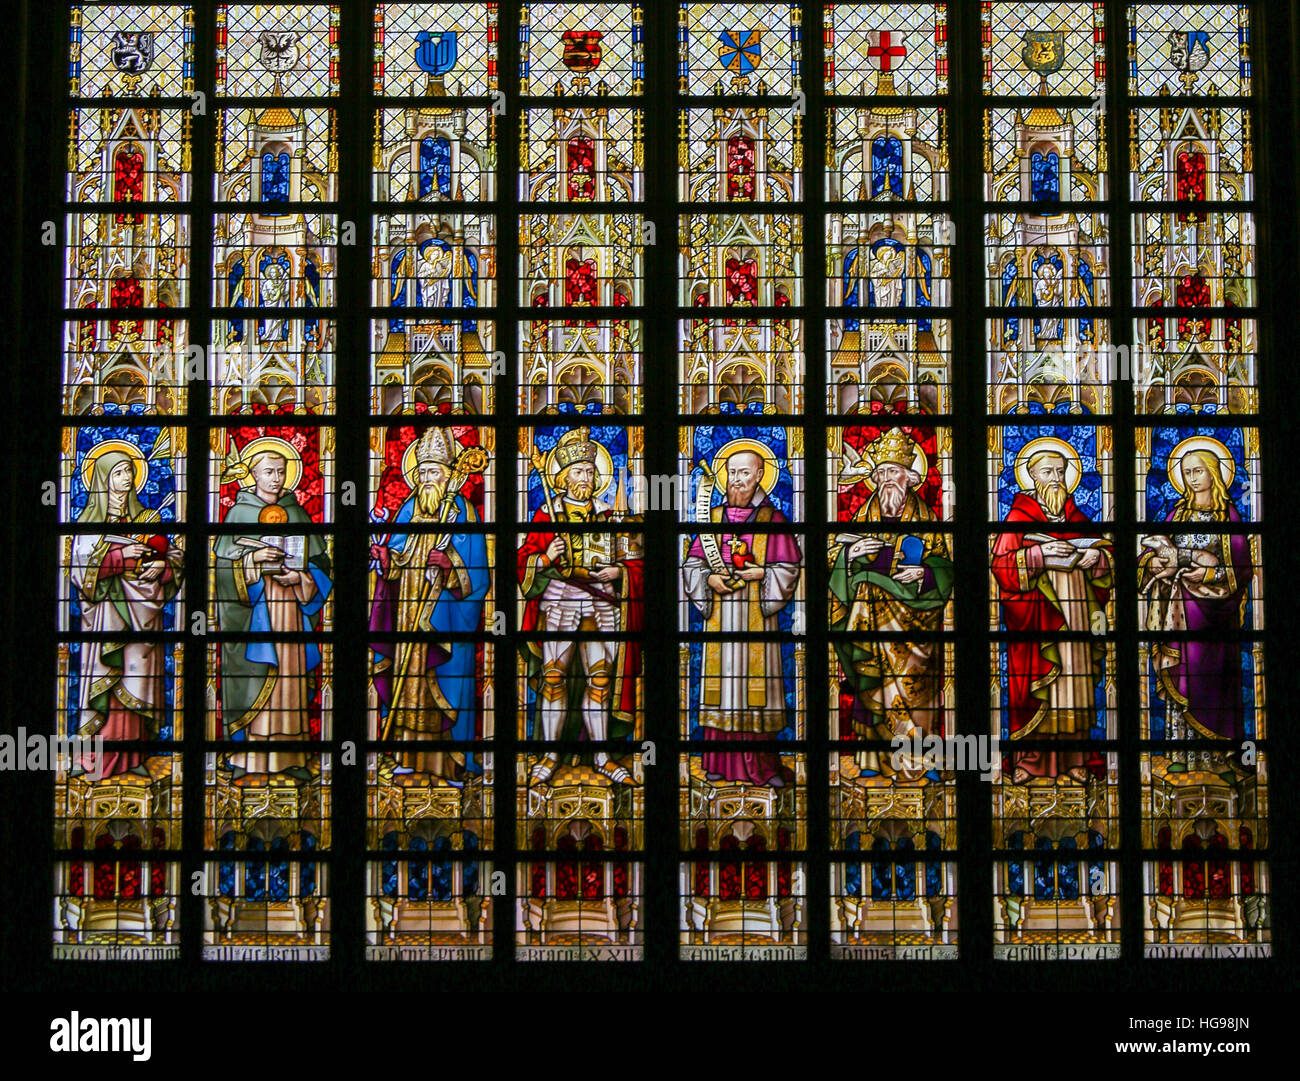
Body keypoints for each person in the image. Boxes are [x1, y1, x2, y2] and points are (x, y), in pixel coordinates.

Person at [518, 428, 643, 784]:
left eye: (590, 471)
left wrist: (618, 570)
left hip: (601, 604)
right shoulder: (547, 515)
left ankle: (603, 756)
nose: (585, 477)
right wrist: (544, 558)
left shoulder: (609, 514)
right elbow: (522, 559)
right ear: (563, 477)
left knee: (600, 681)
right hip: (560, 601)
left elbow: (635, 558)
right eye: (578, 471)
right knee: (554, 678)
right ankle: (550, 754)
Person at [828, 429, 953, 778]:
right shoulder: (864, 516)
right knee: (874, 683)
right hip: (870, 621)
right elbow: (836, 567)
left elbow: (947, 565)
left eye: (893, 471)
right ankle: (874, 759)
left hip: (917, 625)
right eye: (880, 473)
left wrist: (925, 575)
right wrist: (850, 555)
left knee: (917, 691)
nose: (886, 480)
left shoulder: (927, 518)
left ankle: (923, 760)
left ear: (910, 477)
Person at [368, 427, 488, 784]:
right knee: (410, 683)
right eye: (422, 472)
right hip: (410, 612)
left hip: (445, 618)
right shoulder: (409, 508)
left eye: (434, 471)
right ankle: (409, 756)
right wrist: (388, 559)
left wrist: (451, 564)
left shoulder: (462, 511)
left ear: (449, 474)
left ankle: (449, 763)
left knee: (443, 683)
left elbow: (479, 573)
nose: (427, 478)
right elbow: (400, 554)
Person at [990, 442, 1111, 783]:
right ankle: (1030, 762)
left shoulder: (1075, 515)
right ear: (1032, 476)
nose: (1057, 479)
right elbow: (1001, 566)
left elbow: (1106, 551)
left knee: (1075, 686)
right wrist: (1039, 556)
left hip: (1076, 618)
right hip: (1038, 619)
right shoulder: (1018, 517)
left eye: (1061, 472)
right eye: (1048, 472)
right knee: (1039, 687)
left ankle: (1077, 759)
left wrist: (1096, 558)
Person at [682, 446, 802, 787]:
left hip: (756, 620)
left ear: (759, 475)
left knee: (756, 691)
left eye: (744, 473)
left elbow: (789, 568)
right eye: (732, 473)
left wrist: (762, 574)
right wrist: (708, 578)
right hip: (719, 616)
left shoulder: (773, 520)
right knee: (722, 690)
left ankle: (760, 768)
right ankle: (718, 763)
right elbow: (691, 564)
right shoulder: (713, 518)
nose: (737, 480)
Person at [213, 440, 332, 781]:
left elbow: (323, 563)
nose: (276, 478)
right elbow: (220, 569)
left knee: (289, 681)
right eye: (269, 471)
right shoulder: (239, 514)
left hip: (291, 609)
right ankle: (249, 758)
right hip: (254, 614)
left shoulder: (297, 512)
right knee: (256, 678)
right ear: (253, 474)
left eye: (281, 471)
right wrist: (252, 561)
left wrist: (302, 576)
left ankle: (291, 756)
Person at [71, 444, 182, 778]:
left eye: (130, 471)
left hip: (143, 623)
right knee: (109, 686)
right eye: (119, 471)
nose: (126, 477)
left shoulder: (145, 518)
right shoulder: (89, 523)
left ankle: (134, 759)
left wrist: (161, 564)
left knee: (136, 685)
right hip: (106, 619)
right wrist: (119, 557)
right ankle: (98, 763)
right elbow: (80, 570)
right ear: (102, 479)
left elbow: (176, 558)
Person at [1139, 442, 1253, 770]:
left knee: (1214, 682)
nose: (1192, 478)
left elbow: (1241, 568)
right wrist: (1154, 562)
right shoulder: (1178, 513)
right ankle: (1183, 757)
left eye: (1198, 471)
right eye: (1187, 472)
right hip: (1179, 615)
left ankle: (1221, 757)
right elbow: (1155, 552)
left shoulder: (1228, 515)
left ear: (1213, 472)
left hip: (1216, 618)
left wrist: (1207, 572)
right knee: (1182, 677)